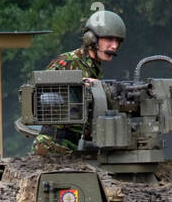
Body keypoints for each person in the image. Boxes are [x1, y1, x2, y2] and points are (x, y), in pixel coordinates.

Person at [33, 9, 126, 155]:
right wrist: (77, 86)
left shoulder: (94, 69)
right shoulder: (67, 62)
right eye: (109, 39)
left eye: (117, 41)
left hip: (76, 146)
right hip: (53, 147)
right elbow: (40, 96)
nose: (114, 46)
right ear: (91, 39)